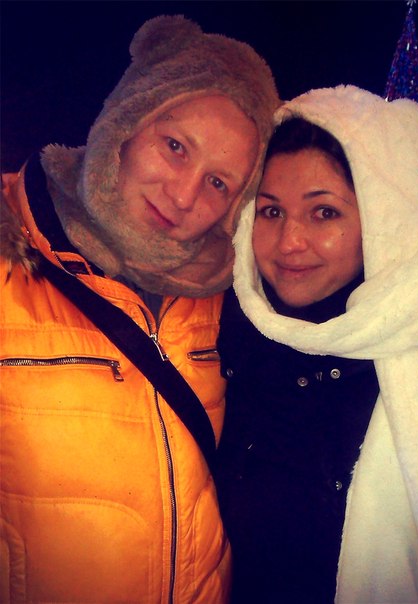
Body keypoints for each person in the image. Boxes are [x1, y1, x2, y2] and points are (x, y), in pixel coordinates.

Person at [0, 15, 279, 602]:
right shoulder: (10, 258)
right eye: (175, 146)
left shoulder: (232, 303)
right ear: (125, 123)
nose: (183, 195)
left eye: (219, 183)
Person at [215, 85, 418, 603]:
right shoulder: (231, 333)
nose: (290, 242)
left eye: (324, 212)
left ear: (381, 219)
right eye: (271, 212)